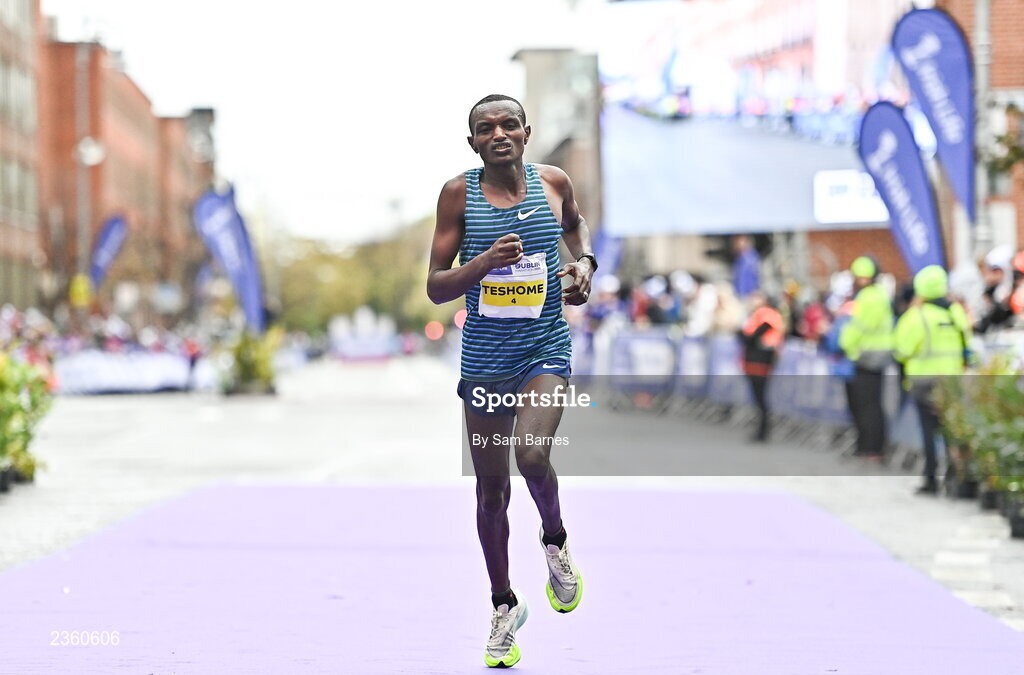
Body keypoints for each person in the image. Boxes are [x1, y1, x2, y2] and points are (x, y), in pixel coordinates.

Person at [426, 94, 593, 669]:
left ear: (526, 132)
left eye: (508, 125)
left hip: (544, 348)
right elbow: (436, 286)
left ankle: (555, 539)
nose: (498, 134)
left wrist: (585, 265)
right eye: (485, 128)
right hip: (486, 359)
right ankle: (503, 605)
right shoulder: (458, 195)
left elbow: (576, 226)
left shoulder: (554, 182)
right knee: (491, 490)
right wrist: (483, 264)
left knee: (532, 454)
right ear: (472, 142)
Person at [893, 265, 972, 495]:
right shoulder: (955, 312)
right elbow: (967, 343)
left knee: (928, 431)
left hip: (924, 381)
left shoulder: (916, 316)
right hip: (952, 381)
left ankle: (931, 480)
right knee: (951, 430)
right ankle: (955, 479)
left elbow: (901, 350)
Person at [839, 256, 894, 459]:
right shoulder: (879, 295)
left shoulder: (868, 298)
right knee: (871, 404)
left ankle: (871, 448)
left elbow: (859, 327)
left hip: (867, 356)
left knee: (867, 405)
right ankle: (870, 447)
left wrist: (845, 344)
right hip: (875, 356)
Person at [739, 291, 785, 442]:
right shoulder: (757, 314)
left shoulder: (767, 313)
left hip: (761, 360)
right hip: (755, 360)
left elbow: (756, 334)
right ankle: (761, 429)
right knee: (758, 397)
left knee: (761, 397)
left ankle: (763, 431)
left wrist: (746, 337)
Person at [732, 234, 761, 299]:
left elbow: (756, 277)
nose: (736, 245)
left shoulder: (751, 257)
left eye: (739, 242)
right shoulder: (739, 258)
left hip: (750, 295)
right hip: (740, 295)